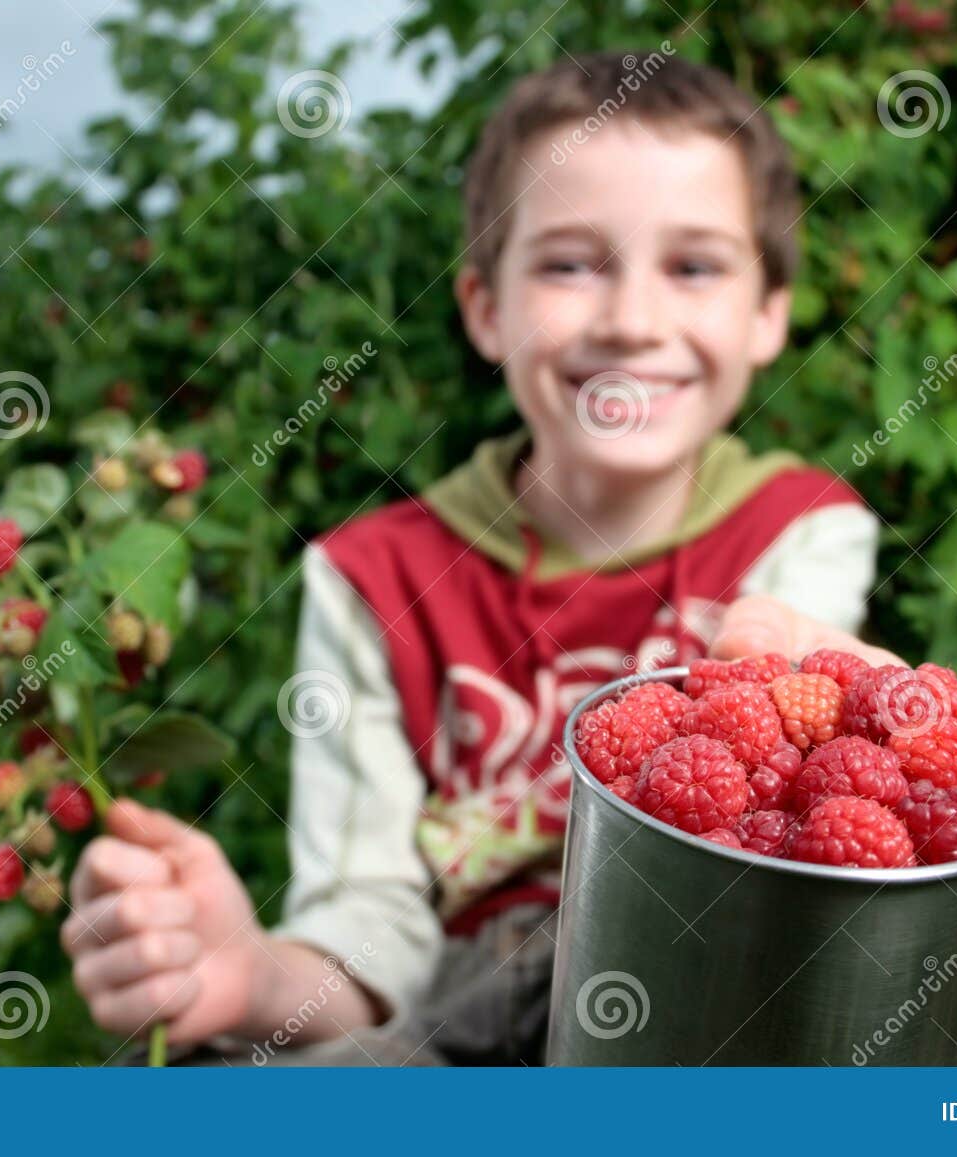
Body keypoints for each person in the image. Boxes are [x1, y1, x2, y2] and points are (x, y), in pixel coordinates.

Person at [62, 50, 894, 1066]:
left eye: (693, 266)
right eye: (568, 262)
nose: (631, 320)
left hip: (690, 982)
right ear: (483, 307)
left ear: (768, 312)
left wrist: (856, 726)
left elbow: (772, 840)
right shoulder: (376, 575)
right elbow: (373, 926)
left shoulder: (797, 528)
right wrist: (255, 975)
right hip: (452, 1018)